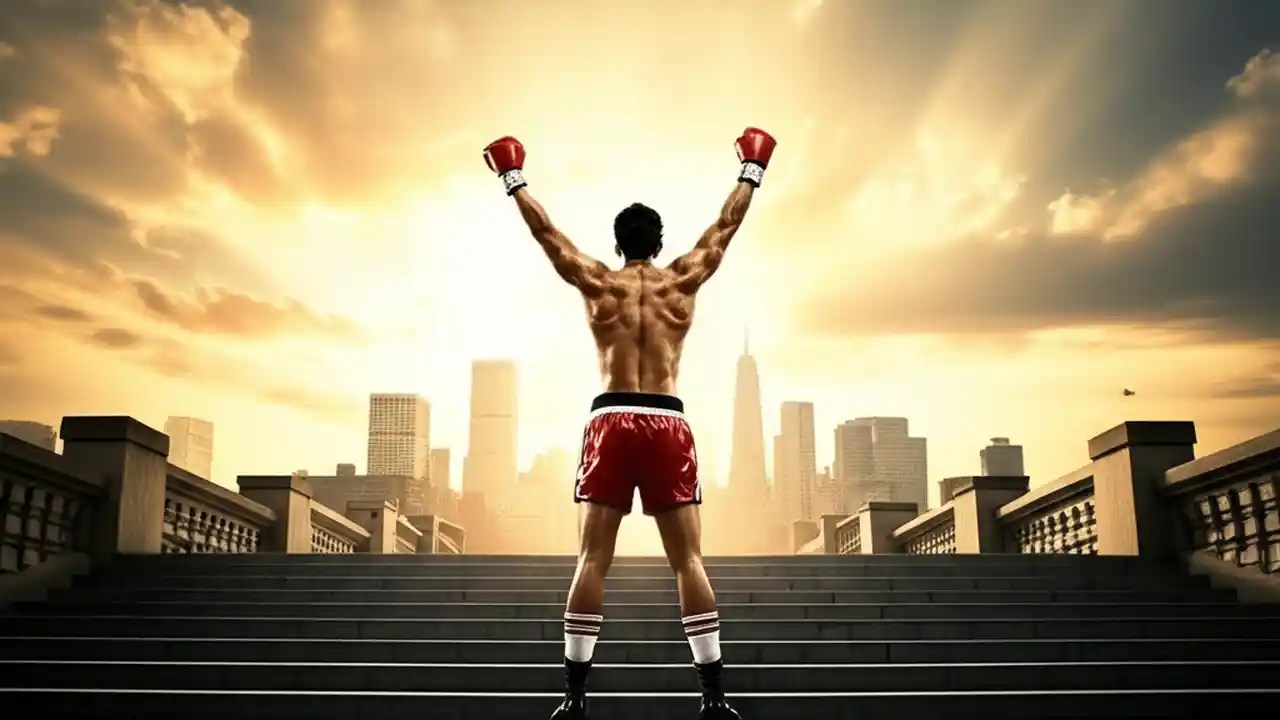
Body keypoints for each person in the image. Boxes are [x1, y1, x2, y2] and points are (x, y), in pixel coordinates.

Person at [483, 127, 776, 719]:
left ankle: (574, 696)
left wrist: (513, 178)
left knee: (593, 558)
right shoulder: (681, 281)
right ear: (659, 242)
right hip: (666, 420)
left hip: (612, 418)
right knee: (688, 561)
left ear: (617, 245)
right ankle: (713, 699)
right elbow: (725, 228)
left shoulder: (599, 283)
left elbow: (548, 235)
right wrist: (751, 169)